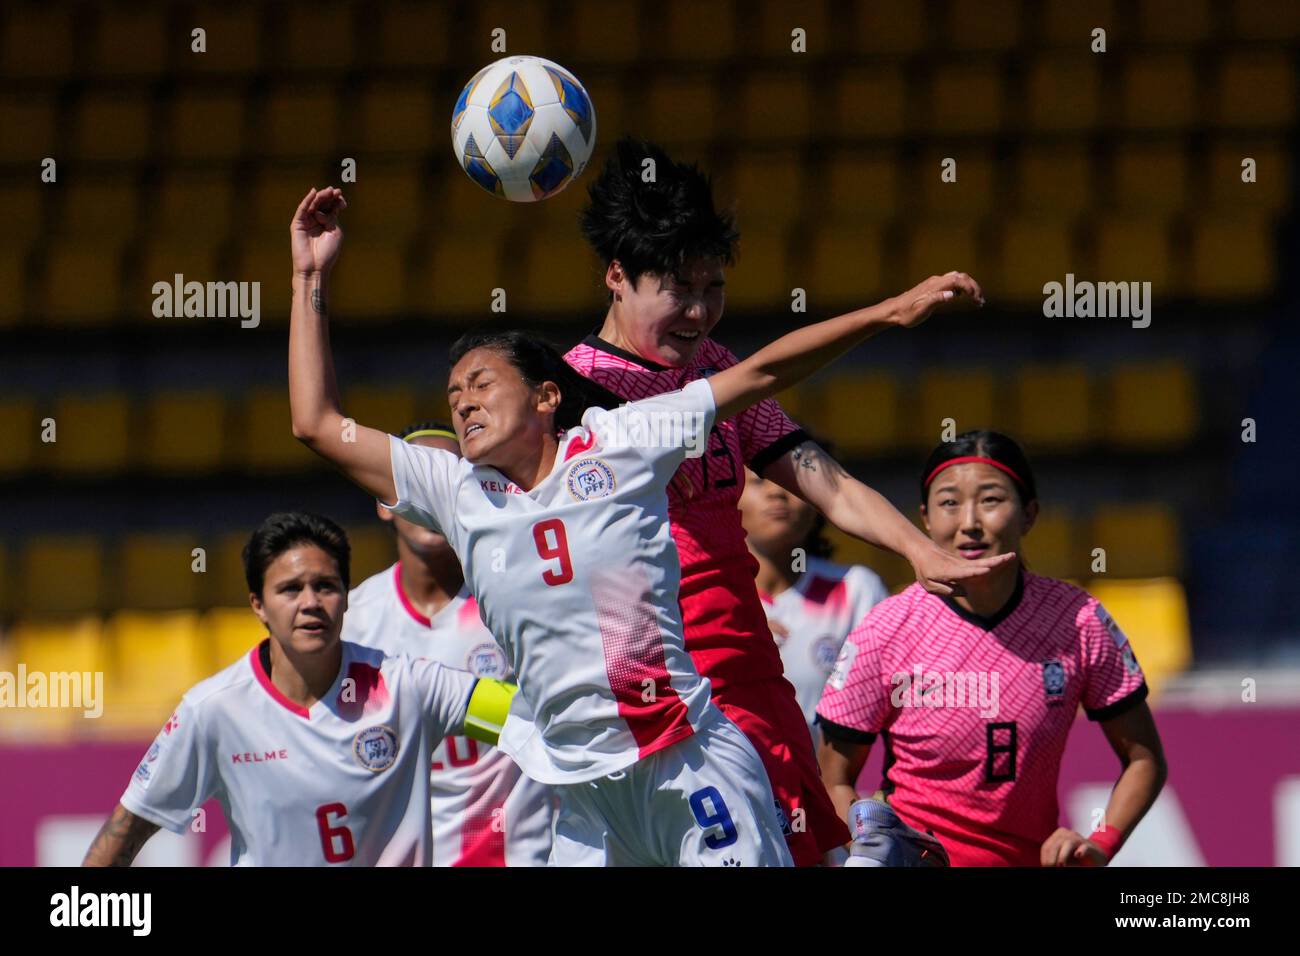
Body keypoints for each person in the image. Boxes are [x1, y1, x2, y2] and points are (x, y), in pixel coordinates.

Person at [286, 184, 990, 864]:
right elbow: (316, 424)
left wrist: (888, 316)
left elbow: (774, 391)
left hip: (700, 722)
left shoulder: (628, 434)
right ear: (618, 279)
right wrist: (308, 278)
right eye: (454, 393)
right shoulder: (464, 480)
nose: (464, 403)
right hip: (588, 779)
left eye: (481, 385)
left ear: (545, 397)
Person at [563, 137, 1008, 864]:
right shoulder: (577, 393)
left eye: (714, 290)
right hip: (660, 689)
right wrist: (888, 312)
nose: (700, 313)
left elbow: (818, 475)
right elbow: (772, 371)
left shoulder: (711, 364)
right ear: (618, 276)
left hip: (749, 675)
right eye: (680, 289)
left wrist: (919, 551)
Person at [815, 431, 1168, 866]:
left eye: (991, 500)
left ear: (1030, 514)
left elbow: (1144, 759)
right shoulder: (888, 627)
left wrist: (1101, 844)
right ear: (924, 518)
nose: (969, 522)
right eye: (949, 503)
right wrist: (875, 851)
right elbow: (832, 780)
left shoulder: (1079, 620)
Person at [83, 512, 489, 867]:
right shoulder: (214, 711)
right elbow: (129, 826)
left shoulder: (406, 685)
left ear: (346, 598)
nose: (310, 602)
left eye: (326, 586)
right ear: (258, 604)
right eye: (290, 589)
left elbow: (530, 715)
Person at [344, 421, 555, 866]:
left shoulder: (520, 598)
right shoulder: (351, 621)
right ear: (385, 503)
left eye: (447, 482)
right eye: (417, 481)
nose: (431, 500)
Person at [737, 464, 889, 742]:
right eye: (759, 482)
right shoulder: (702, 600)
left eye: (792, 482)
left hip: (830, 781)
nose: (777, 493)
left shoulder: (857, 589)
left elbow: (882, 703)